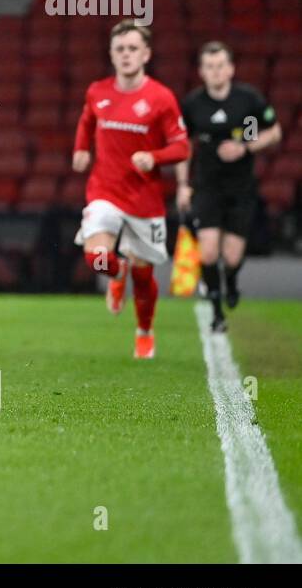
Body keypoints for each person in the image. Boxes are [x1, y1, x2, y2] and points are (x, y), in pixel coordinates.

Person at [72, 20, 189, 358]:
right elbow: (87, 120)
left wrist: (154, 157)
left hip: (144, 199)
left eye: (132, 49)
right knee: (95, 258)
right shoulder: (98, 91)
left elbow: (182, 148)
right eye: (120, 49)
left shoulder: (161, 98)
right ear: (111, 54)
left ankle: (144, 330)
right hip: (104, 191)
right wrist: (81, 148)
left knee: (143, 274)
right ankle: (115, 270)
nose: (126, 55)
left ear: (146, 54)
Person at [177, 41, 281, 333]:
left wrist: (245, 148)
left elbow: (272, 131)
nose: (216, 72)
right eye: (209, 66)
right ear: (201, 71)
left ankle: (232, 281)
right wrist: (183, 185)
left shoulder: (247, 102)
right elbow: (183, 144)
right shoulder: (193, 105)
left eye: (221, 65)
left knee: (232, 257)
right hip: (207, 186)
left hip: (241, 188)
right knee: (208, 253)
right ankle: (216, 312)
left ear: (231, 68)